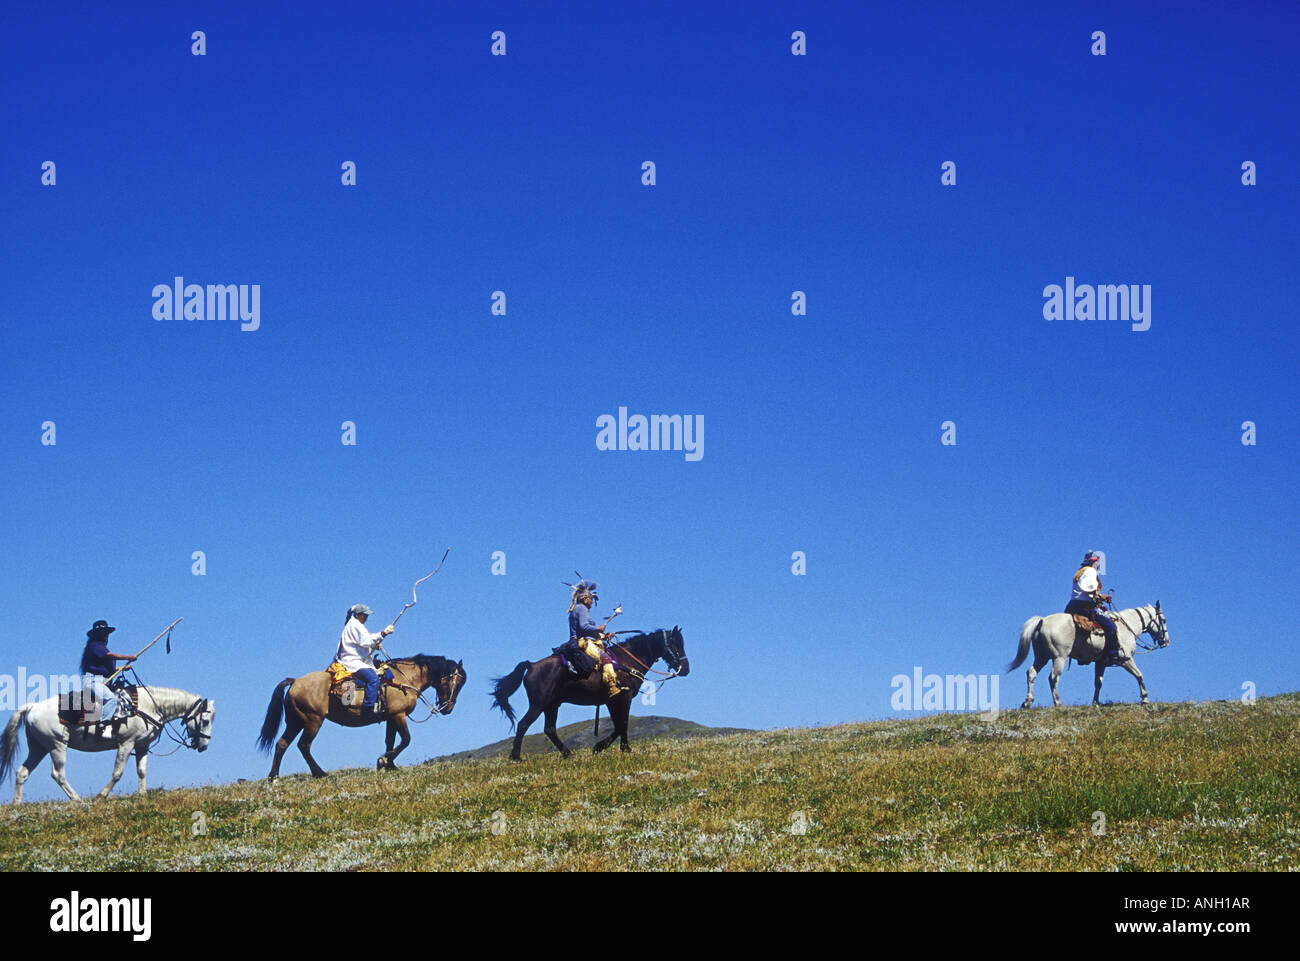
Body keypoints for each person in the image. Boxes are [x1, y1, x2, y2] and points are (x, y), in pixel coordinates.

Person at [335, 604, 394, 714]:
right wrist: (383, 633)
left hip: (356, 659)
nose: (366, 618)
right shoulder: (355, 625)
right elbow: (366, 641)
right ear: (358, 615)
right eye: (364, 615)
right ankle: (368, 708)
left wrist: (374, 645)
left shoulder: (354, 624)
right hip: (353, 661)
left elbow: (364, 642)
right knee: (373, 679)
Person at [567, 580, 623, 697]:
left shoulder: (578, 609)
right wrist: (598, 628)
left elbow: (586, 629)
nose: (592, 602)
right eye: (591, 599)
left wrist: (604, 635)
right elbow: (584, 627)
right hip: (584, 642)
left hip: (586, 640)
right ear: (585, 598)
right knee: (606, 659)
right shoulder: (581, 608)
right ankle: (612, 687)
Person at [79, 620, 137, 731]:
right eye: (102, 632)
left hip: (104, 680)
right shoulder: (94, 646)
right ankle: (103, 724)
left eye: (106, 632)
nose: (106, 635)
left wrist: (122, 668)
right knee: (111, 699)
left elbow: (106, 669)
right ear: (97, 635)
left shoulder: (100, 648)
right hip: (93, 681)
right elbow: (109, 655)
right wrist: (128, 657)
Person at [1065, 552, 1120, 665]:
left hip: (1072, 605)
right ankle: (1112, 655)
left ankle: (1082, 655)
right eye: (1098, 562)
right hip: (1085, 606)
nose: (1099, 565)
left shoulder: (1080, 572)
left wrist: (1101, 597)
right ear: (1094, 562)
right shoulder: (1090, 571)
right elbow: (1089, 590)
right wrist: (1100, 597)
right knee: (1111, 626)